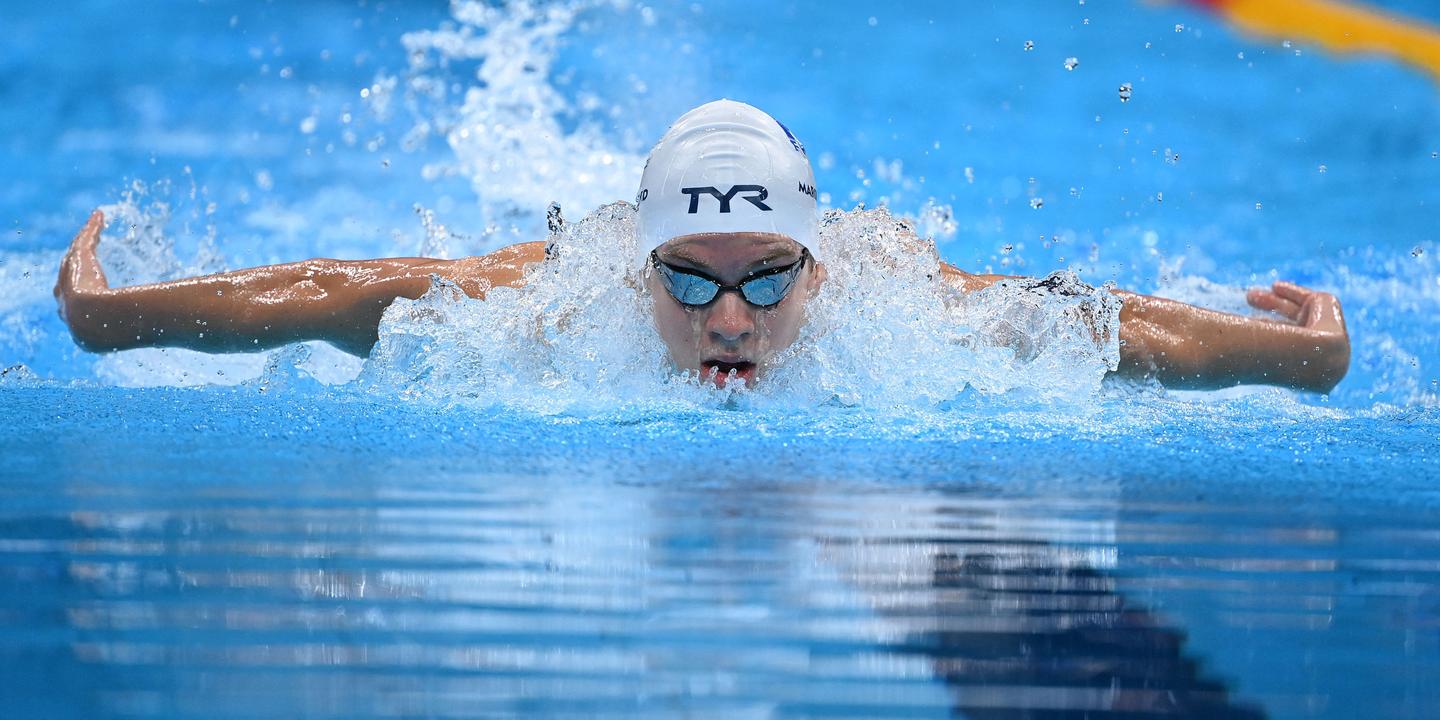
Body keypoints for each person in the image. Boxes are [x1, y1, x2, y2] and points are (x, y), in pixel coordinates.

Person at [54, 100, 1350, 392]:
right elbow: (336, 291)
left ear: (817, 264)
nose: (728, 320)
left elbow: (1095, 322)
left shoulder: (891, 292)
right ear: (638, 266)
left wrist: (1307, 358)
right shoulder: (554, 303)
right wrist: (113, 316)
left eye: (764, 280)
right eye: (688, 279)